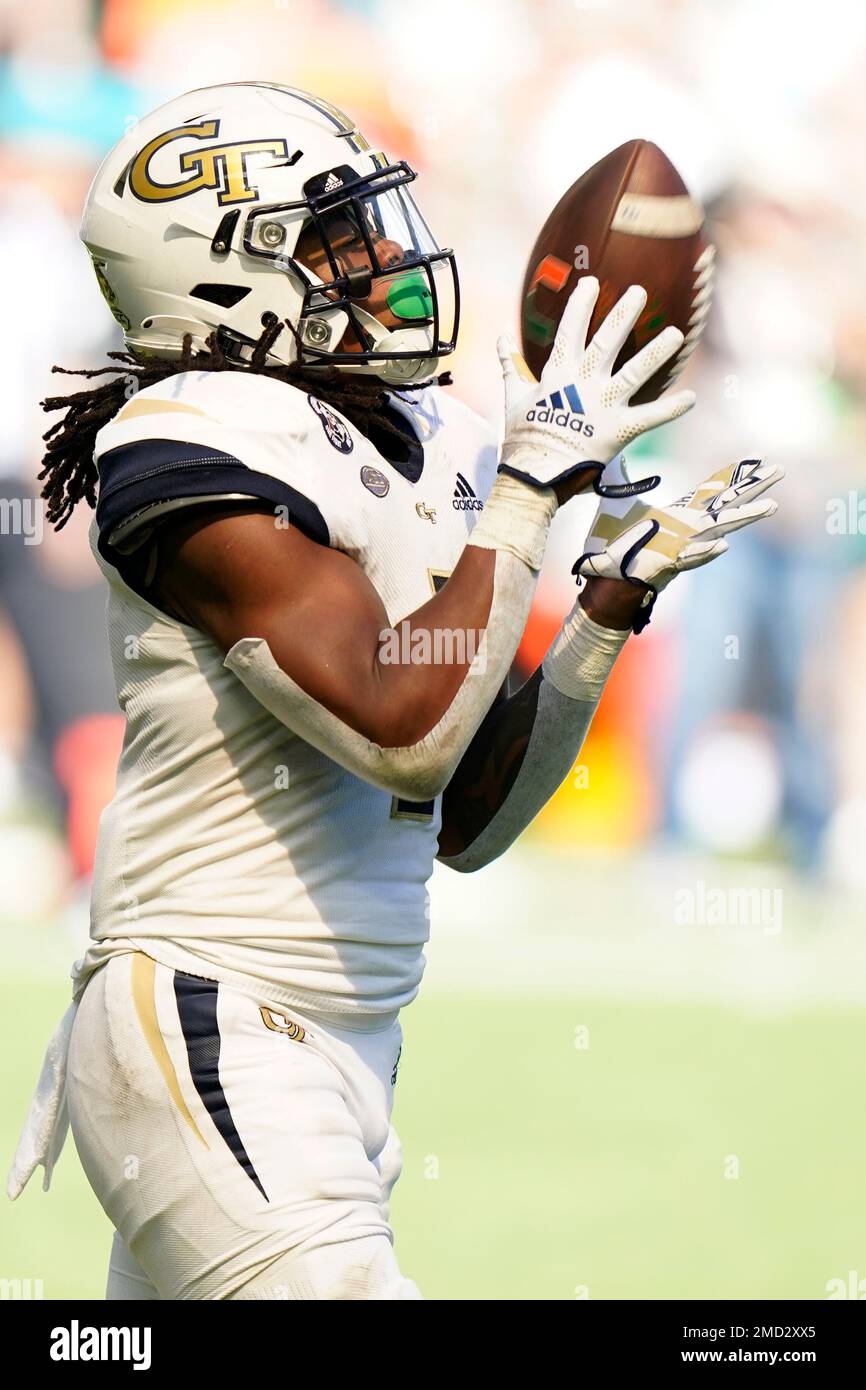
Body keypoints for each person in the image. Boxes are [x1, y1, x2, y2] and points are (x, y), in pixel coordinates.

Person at [8, 82, 782, 1300]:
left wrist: (602, 603)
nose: (391, 264)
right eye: (339, 240)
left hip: (347, 1043)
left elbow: (467, 814)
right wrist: (527, 495)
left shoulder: (441, 434)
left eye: (381, 226)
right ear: (225, 275)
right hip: (214, 1014)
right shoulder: (188, 438)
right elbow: (400, 729)